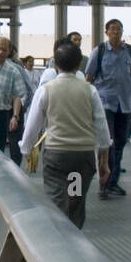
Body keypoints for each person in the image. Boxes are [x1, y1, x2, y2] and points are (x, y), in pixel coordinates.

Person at [19, 40, 111, 229]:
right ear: (79, 64)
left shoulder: (46, 90)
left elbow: (32, 125)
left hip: (56, 158)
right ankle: (74, 237)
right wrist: (104, 158)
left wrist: (26, 151)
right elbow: (101, 126)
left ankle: (59, 240)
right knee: (74, 199)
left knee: (56, 199)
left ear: (56, 64)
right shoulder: (89, 90)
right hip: (81, 158)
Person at [85, 19, 131, 199]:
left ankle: (113, 181)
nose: (116, 33)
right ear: (106, 32)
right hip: (105, 104)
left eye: (119, 29)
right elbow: (89, 78)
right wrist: (83, 101)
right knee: (107, 143)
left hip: (125, 104)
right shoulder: (99, 51)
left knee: (120, 143)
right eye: (113, 29)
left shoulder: (129, 52)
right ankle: (103, 184)